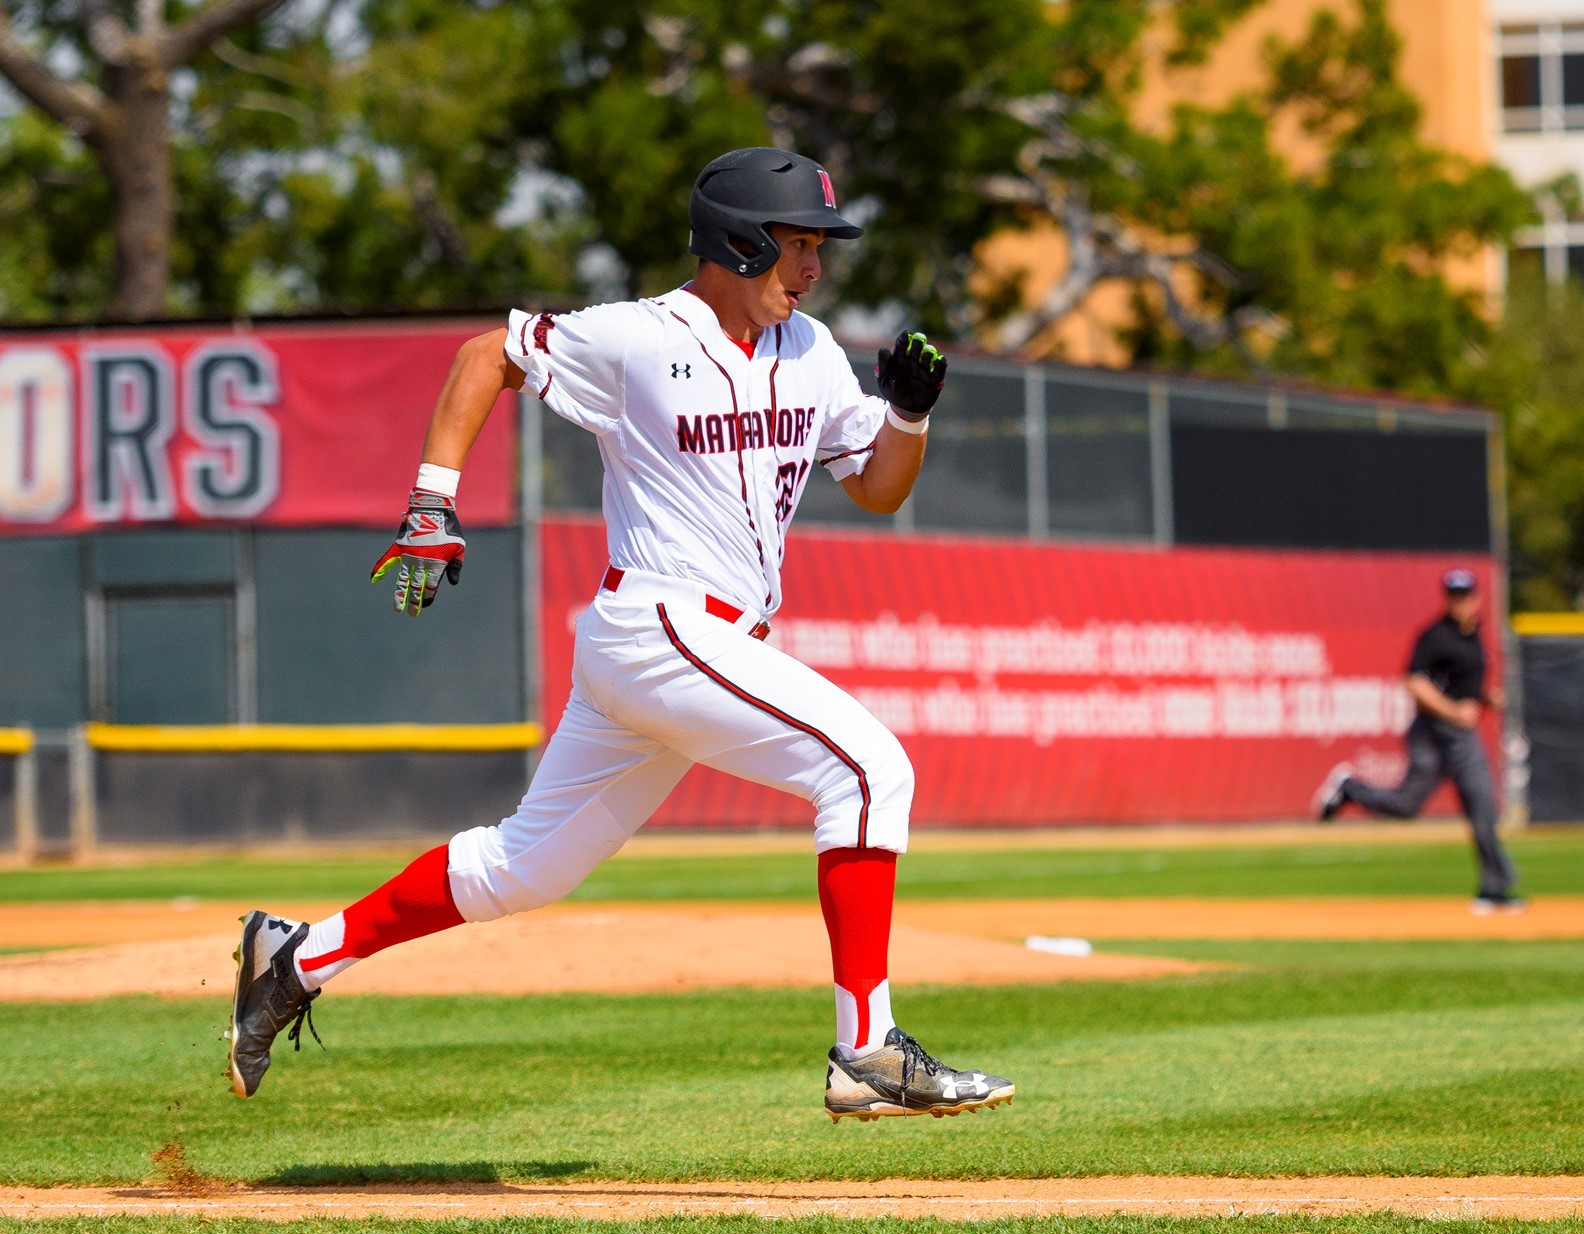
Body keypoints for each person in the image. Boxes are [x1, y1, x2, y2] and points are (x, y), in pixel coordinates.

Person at [227, 147, 1014, 1120]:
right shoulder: (638, 338)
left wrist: (908, 414)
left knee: (525, 867)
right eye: (797, 244)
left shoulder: (808, 351)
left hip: (684, 648)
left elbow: (877, 486)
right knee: (865, 770)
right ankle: (865, 1050)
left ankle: (295, 957)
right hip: (661, 626)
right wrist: (432, 501)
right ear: (738, 240)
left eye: (817, 245)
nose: (812, 267)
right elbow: (487, 356)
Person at [1313, 568, 1523, 913]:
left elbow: (1457, 683)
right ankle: (1349, 788)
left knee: (1483, 807)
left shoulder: (1474, 635)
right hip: (1434, 733)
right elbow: (1414, 682)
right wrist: (1453, 711)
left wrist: (1484, 698)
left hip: (1461, 738)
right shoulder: (1436, 636)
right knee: (1406, 805)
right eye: (1453, 596)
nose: (1460, 603)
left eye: (1465, 596)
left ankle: (1494, 890)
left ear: (1477, 598)